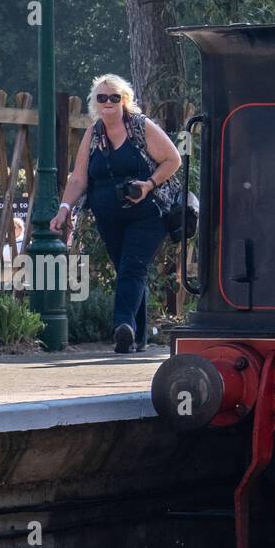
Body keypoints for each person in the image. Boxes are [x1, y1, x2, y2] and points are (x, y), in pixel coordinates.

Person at [50, 75, 182, 353]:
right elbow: (78, 178)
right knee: (128, 270)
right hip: (109, 216)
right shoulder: (94, 133)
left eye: (114, 97)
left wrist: (148, 184)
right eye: (102, 98)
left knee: (132, 267)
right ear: (95, 104)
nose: (108, 102)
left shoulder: (140, 126)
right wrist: (64, 210)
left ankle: (123, 327)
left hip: (149, 212)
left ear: (124, 100)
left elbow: (173, 159)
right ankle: (139, 336)